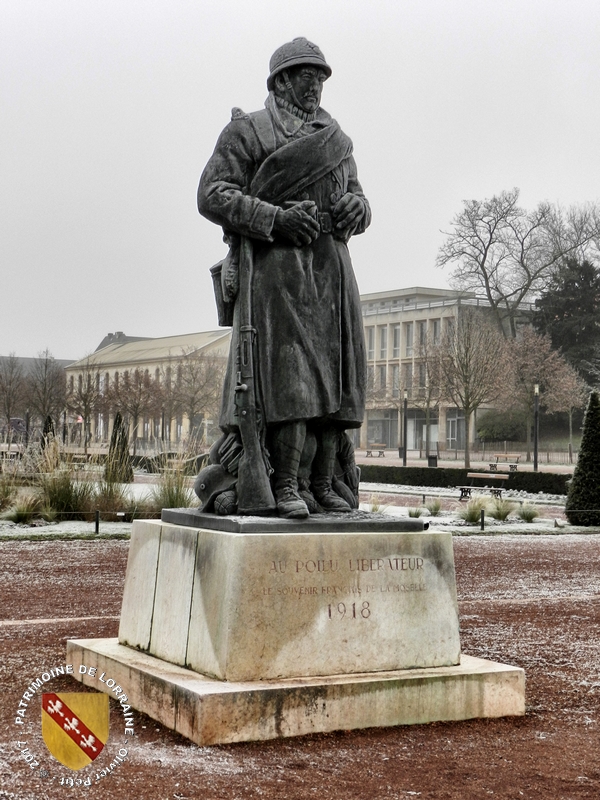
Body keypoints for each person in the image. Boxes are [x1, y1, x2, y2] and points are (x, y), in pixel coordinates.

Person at [197, 37, 370, 519]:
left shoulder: (337, 139)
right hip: (277, 275)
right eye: (306, 76)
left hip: (332, 273)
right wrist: (274, 219)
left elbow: (360, 198)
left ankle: (323, 482)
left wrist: (359, 208)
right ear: (281, 81)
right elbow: (212, 194)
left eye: (320, 77)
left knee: (337, 386)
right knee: (292, 385)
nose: (315, 85)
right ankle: (285, 484)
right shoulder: (248, 133)